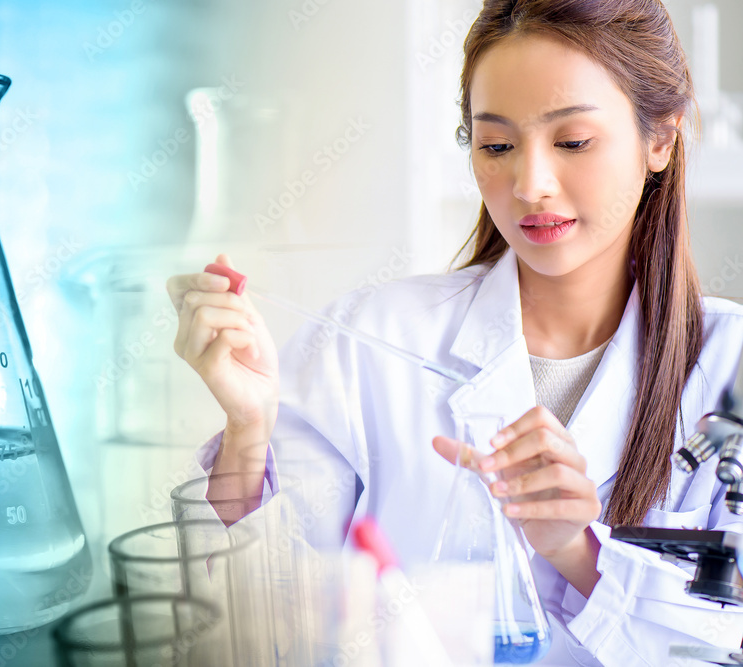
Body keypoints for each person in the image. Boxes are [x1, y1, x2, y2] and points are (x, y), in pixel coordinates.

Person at [166, 0, 743, 663]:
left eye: (573, 141)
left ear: (661, 139)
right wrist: (246, 428)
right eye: (496, 145)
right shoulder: (367, 337)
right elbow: (252, 617)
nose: (530, 183)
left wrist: (581, 553)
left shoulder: (731, 365)